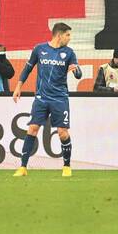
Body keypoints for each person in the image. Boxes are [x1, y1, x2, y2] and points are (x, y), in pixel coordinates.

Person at [12, 22, 81, 177]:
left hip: (59, 98)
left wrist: (76, 71)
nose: (69, 38)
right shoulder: (39, 49)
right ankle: (23, 167)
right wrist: (18, 87)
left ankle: (67, 166)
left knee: (62, 133)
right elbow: (27, 68)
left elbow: (78, 74)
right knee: (32, 129)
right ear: (59, 35)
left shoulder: (69, 53)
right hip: (41, 98)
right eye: (68, 35)